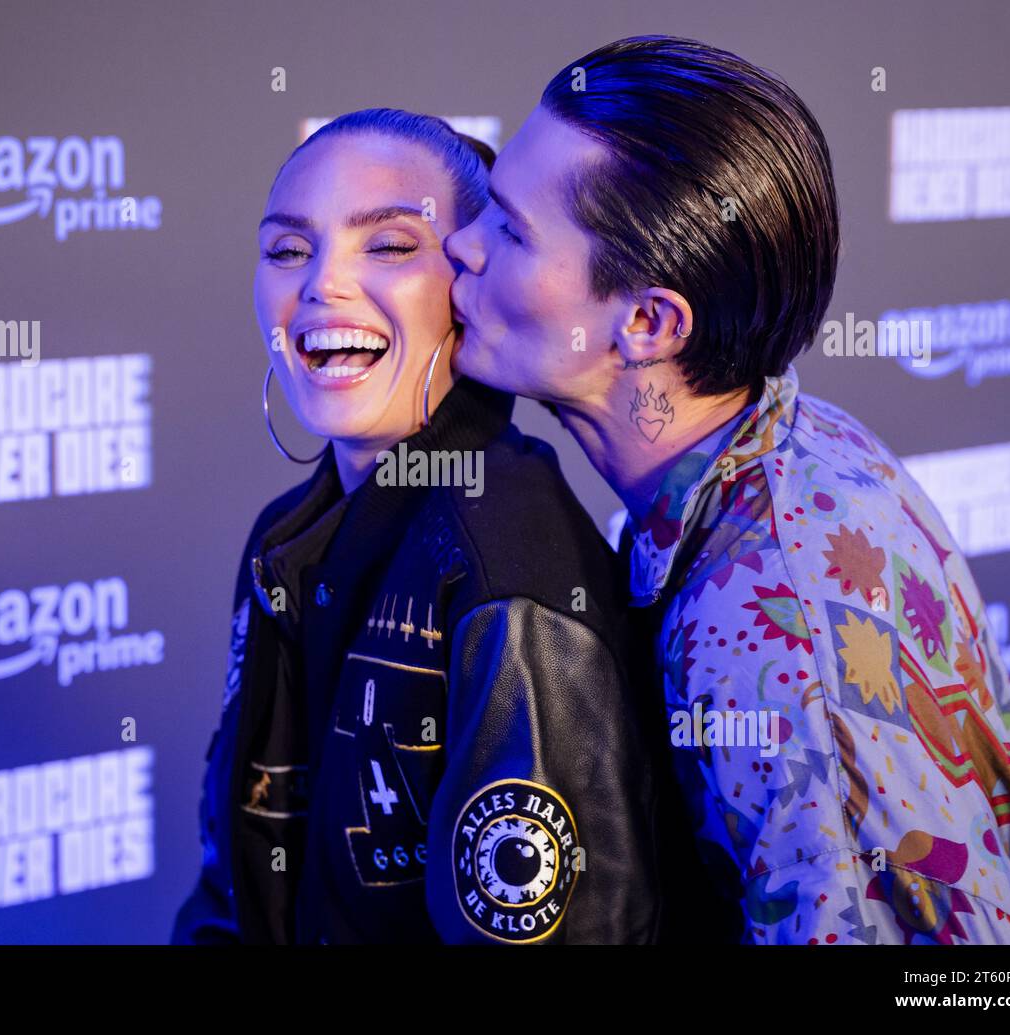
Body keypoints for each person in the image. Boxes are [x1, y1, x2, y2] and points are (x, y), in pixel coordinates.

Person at [445, 35, 1010, 945]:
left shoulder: (767, 630)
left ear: (649, 323)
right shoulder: (777, 444)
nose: (459, 245)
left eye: (508, 229)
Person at [171, 108, 661, 945]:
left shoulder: (508, 559)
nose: (322, 284)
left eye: (389, 246)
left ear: (474, 280)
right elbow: (234, 891)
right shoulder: (283, 541)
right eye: (289, 250)